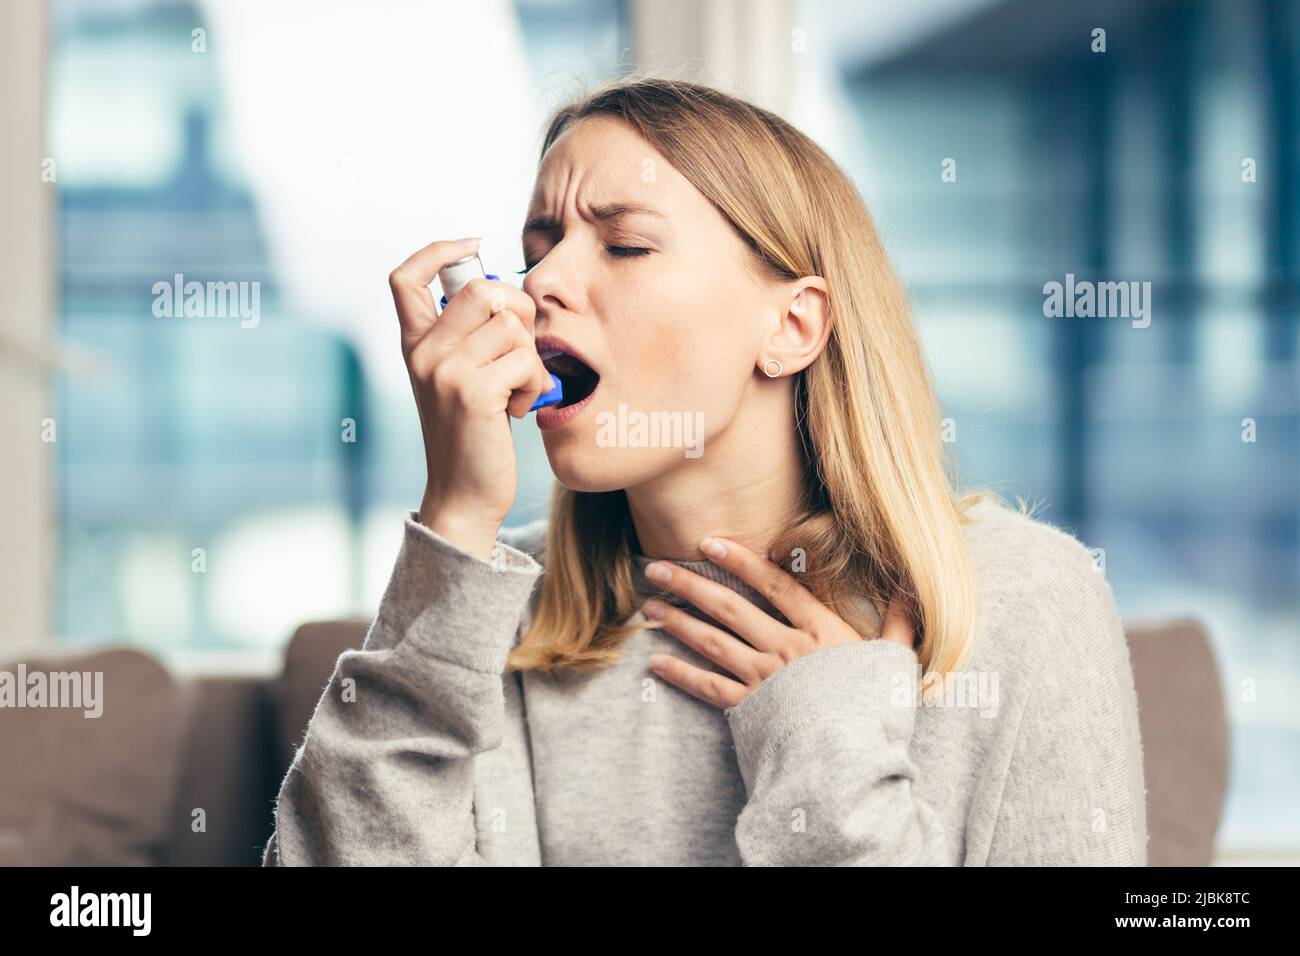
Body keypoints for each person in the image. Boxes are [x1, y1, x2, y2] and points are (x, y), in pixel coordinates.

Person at [262, 77, 1147, 866]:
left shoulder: (1024, 601)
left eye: (626, 245)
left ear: (793, 327)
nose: (539, 287)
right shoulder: (487, 613)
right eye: (539, 248)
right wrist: (455, 518)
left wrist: (825, 744)